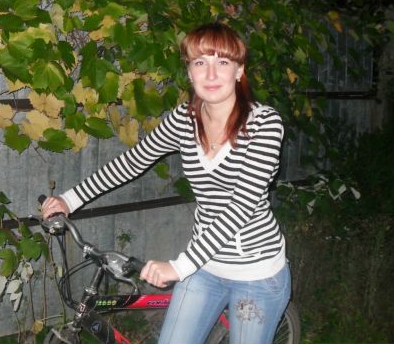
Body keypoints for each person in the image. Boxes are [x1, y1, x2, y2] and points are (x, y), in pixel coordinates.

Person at [42, 22, 290, 344]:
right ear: (189, 72)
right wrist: (70, 199)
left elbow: (241, 206)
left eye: (222, 62)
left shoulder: (264, 124)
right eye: (200, 62)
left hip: (256, 275)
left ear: (239, 70)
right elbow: (134, 161)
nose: (211, 74)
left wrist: (179, 267)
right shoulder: (184, 120)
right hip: (204, 267)